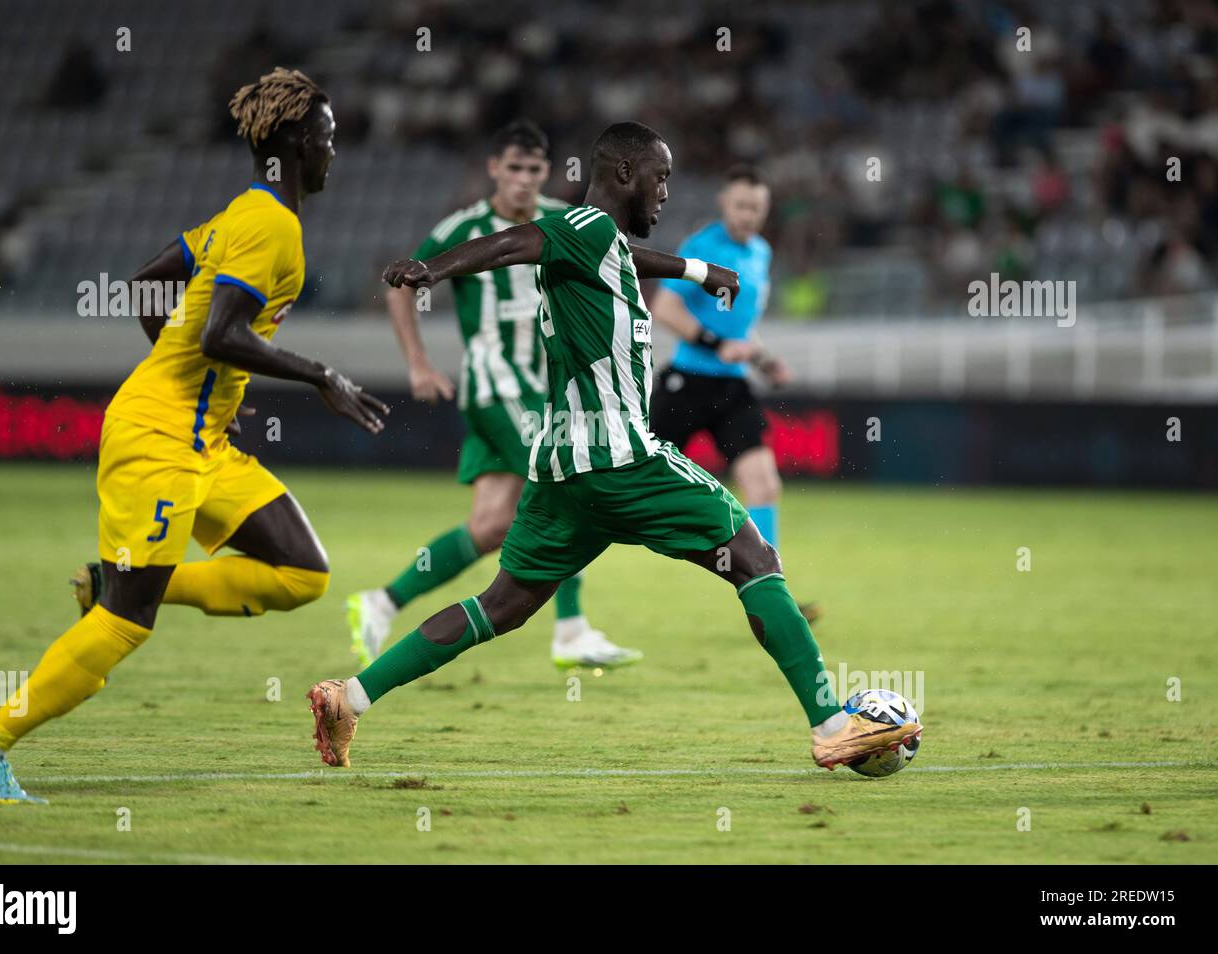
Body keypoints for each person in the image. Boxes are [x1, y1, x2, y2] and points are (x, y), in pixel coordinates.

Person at [306, 122, 919, 771]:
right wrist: (433, 270)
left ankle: (350, 697)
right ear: (625, 175)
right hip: (617, 454)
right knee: (753, 556)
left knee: (501, 606)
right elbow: (519, 241)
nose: (664, 194)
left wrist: (698, 269)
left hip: (558, 470)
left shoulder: (599, 246)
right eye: (660, 179)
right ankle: (830, 725)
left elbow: (624, 256)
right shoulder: (583, 227)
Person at [0, 68, 389, 805]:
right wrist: (319, 376)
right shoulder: (269, 225)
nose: (334, 151)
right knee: (126, 625)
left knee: (301, 572)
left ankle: (107, 579)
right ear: (291, 141)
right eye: (328, 136)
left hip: (199, 437)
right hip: (158, 438)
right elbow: (219, 331)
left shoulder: (239, 217)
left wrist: (202, 388)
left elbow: (148, 280)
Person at [346, 119, 640, 670]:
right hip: (496, 386)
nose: (524, 180)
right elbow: (401, 286)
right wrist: (417, 362)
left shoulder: (561, 220)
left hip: (544, 389)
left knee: (490, 525)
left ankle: (382, 601)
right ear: (494, 170)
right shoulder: (466, 227)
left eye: (534, 169)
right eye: (515, 169)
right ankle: (571, 630)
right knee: (573, 478)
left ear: (546, 172)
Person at [648, 164, 819, 622]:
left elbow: (741, 330)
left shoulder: (761, 253)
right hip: (685, 384)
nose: (748, 215)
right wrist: (715, 344)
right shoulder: (702, 247)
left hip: (731, 387)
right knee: (630, 486)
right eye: (741, 206)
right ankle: (561, 575)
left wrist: (762, 360)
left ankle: (772, 599)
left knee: (764, 484)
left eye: (757, 208)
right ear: (724, 203)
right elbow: (663, 306)